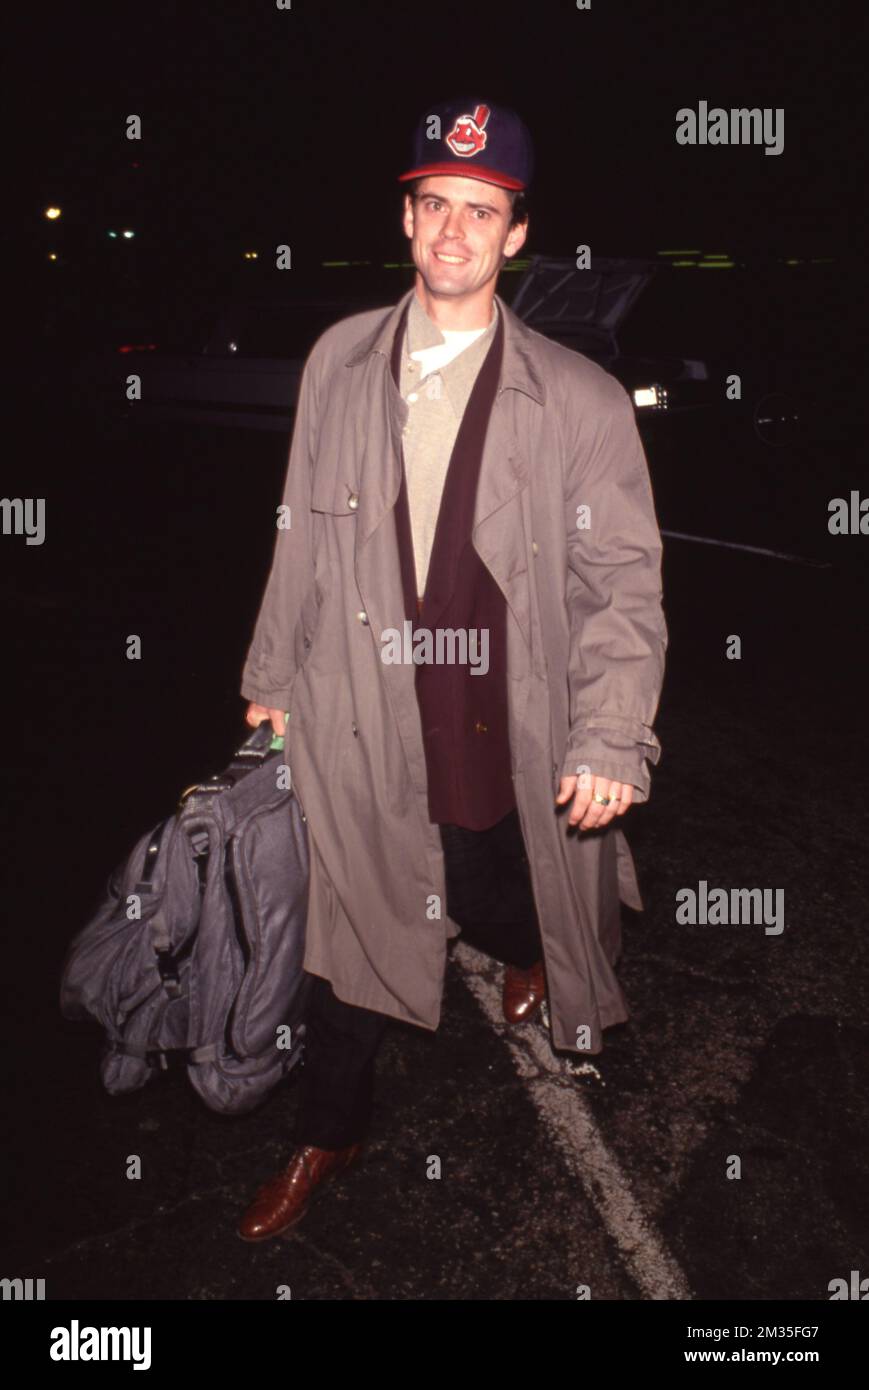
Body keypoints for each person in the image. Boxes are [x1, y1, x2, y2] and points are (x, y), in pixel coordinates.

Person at [236, 97, 667, 1241]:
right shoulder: (339, 360)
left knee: (484, 881)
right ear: (407, 217)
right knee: (348, 934)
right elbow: (300, 532)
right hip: (361, 707)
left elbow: (621, 583)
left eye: (481, 210)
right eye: (434, 204)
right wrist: (273, 669)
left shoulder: (576, 399)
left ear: (516, 232)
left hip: (493, 713)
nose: (454, 232)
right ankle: (327, 1130)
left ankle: (524, 947)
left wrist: (610, 736)